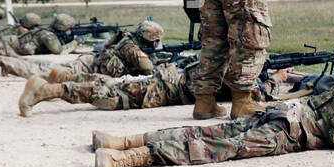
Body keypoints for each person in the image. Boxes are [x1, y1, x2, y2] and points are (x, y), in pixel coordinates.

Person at [92, 47, 334, 167]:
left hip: (289, 112)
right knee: (219, 147)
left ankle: (123, 140)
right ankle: (126, 159)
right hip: (291, 132)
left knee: (212, 131)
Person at [17, 57, 313, 117]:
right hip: (167, 89)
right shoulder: (240, 73)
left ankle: (56, 80)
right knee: (112, 99)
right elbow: (257, 97)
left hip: (170, 80)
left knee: (117, 88)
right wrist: (279, 78)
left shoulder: (225, 60)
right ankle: (43, 92)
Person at [0, 19, 161, 85]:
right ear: (149, 39)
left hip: (89, 64)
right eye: (156, 41)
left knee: (43, 66)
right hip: (86, 68)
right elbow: (148, 69)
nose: (159, 44)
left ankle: (8, 62)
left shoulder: (128, 40)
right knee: (42, 72)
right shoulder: (132, 48)